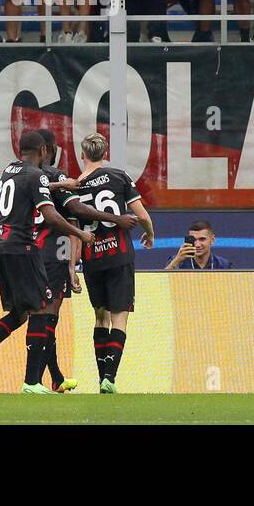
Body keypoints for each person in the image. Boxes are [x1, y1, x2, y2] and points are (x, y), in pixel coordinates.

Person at [0, 130, 94, 395]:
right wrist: (80, 234)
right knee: (42, 309)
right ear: (44, 150)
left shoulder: (9, 171)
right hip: (21, 248)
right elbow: (50, 214)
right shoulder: (36, 175)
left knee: (21, 313)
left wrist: (56, 186)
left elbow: (34, 187)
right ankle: (32, 382)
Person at [71, 132, 153, 393]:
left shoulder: (76, 186)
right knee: (120, 317)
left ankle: (100, 378)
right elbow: (140, 214)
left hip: (92, 256)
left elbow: (74, 230)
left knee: (100, 317)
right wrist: (149, 233)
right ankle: (110, 378)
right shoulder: (119, 176)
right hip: (119, 255)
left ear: (82, 155)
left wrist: (73, 265)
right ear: (104, 154)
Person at [164, 220, 232, 270]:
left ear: (212, 240)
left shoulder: (223, 264)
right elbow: (161, 284)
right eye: (194, 240)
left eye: (202, 239)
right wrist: (176, 261)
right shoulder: (177, 261)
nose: (197, 245)